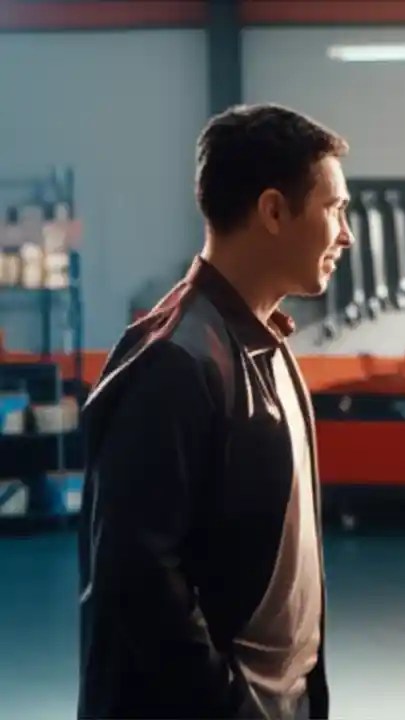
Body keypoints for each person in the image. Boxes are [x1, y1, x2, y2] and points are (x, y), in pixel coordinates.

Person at [77, 103, 351, 720]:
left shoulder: (264, 340)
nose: (346, 233)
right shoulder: (175, 361)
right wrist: (225, 704)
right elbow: (137, 575)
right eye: (335, 209)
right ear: (274, 211)